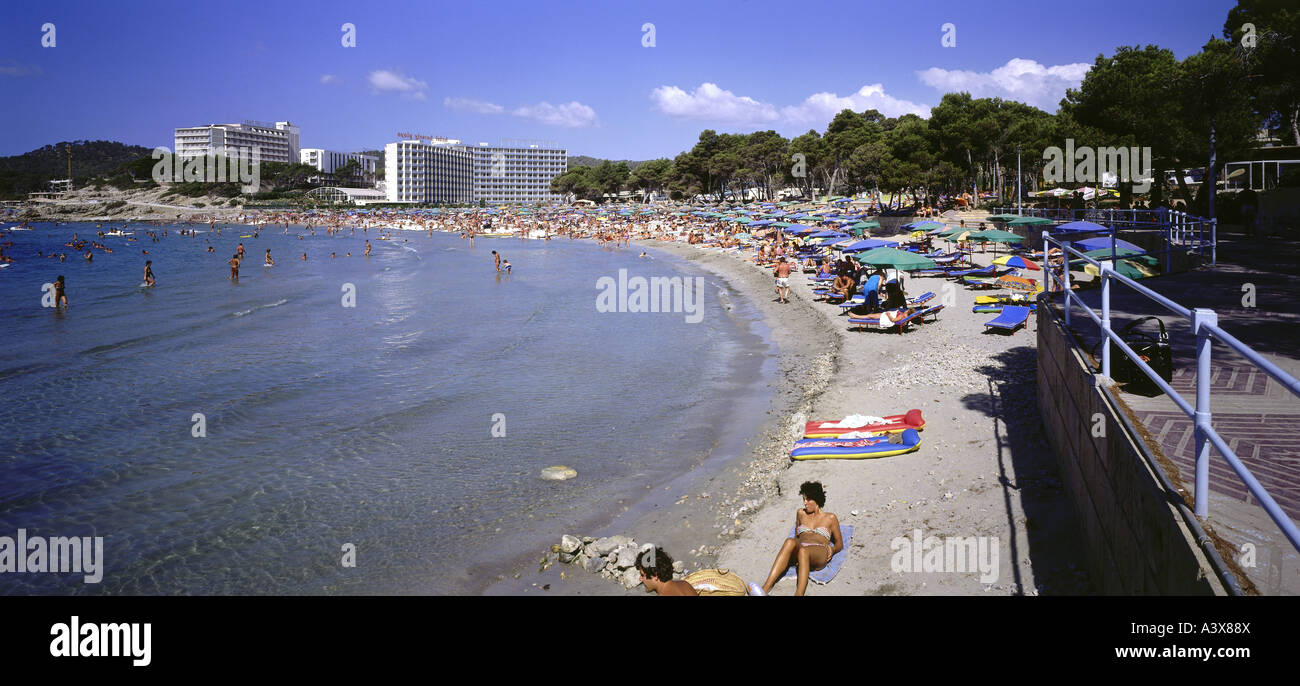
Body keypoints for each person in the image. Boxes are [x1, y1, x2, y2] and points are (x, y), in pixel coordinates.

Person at [760, 482, 843, 596]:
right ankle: (765, 588)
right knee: (789, 541)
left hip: (818, 552)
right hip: (801, 549)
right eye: (803, 499)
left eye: (808, 499)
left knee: (804, 551)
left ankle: (799, 594)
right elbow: (796, 537)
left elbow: (839, 544)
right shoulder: (800, 513)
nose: (805, 503)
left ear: (816, 499)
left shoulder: (830, 518)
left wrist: (832, 550)